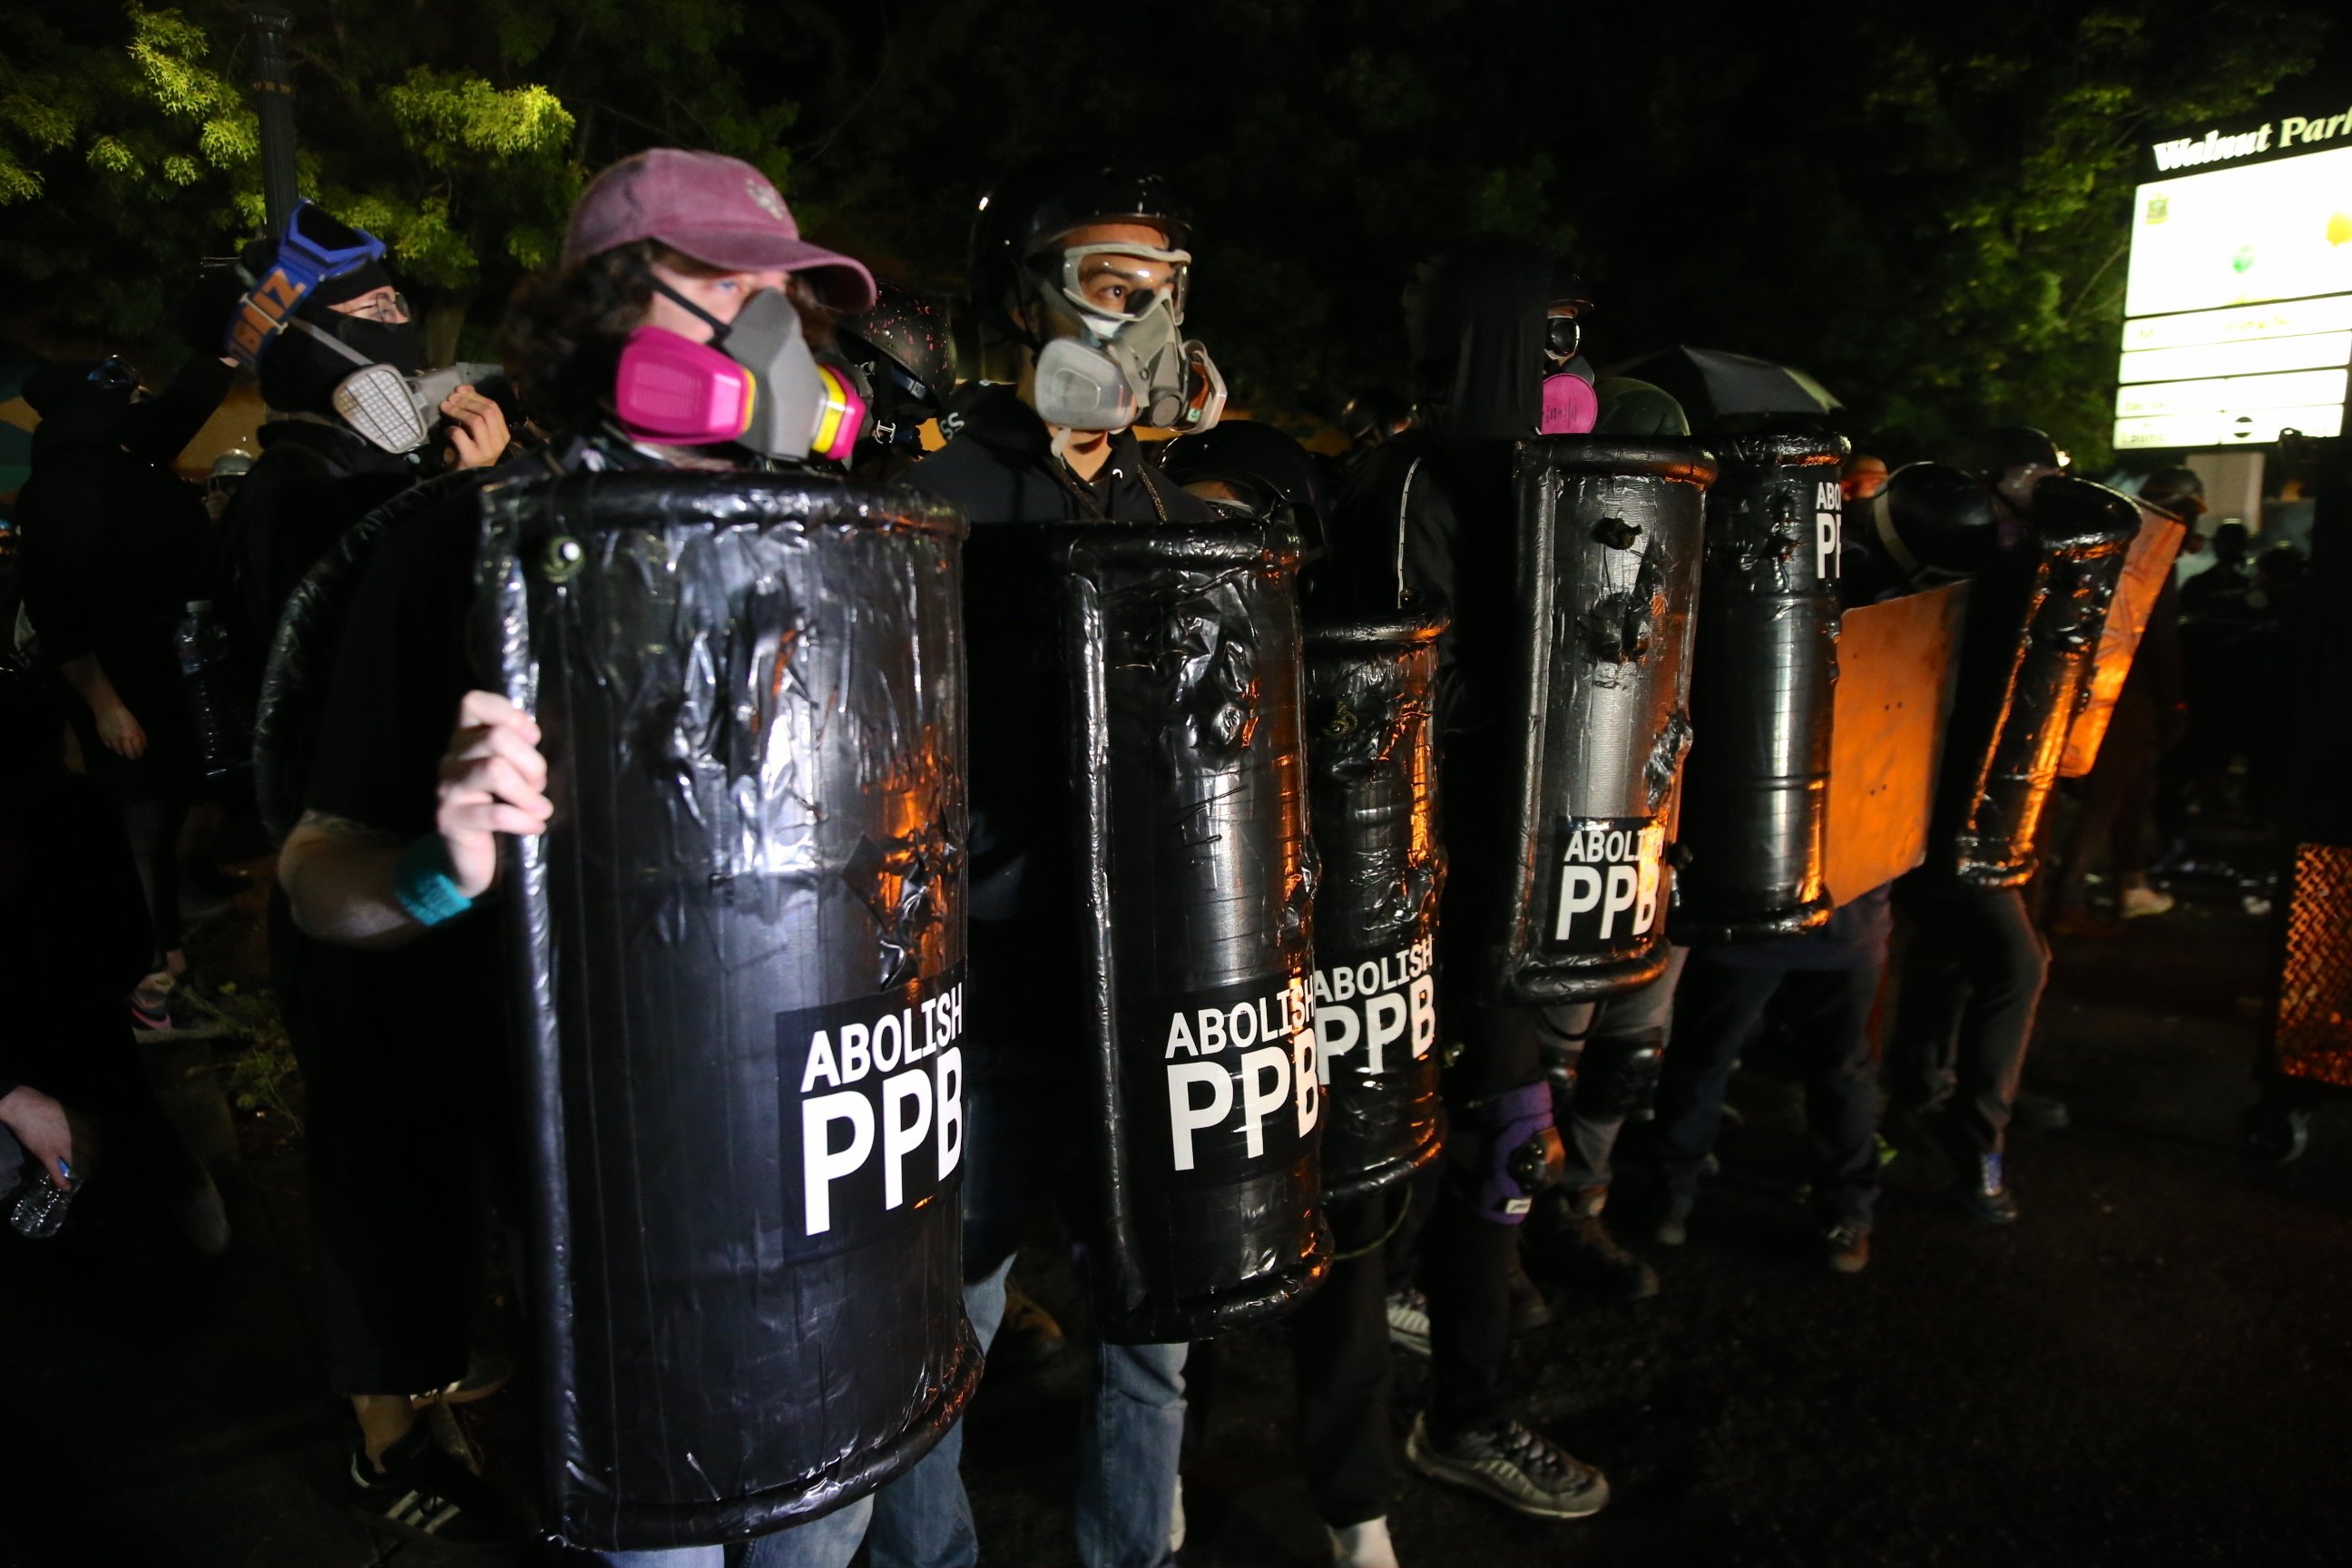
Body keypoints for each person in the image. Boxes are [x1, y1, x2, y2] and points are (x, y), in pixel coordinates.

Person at [278, 147, 878, 1564]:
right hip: (619, 1254)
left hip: (837, 1204)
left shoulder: (849, 549)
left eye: (785, 297)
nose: (765, 329)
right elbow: (317, 875)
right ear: (598, 316)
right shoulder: (464, 550)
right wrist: (442, 868)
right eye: (718, 288)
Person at [750, 161, 1227, 1568]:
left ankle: (1131, 1550)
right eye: (1105, 283)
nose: (1138, 318)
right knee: (946, 1325)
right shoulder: (926, 502)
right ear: (1029, 301)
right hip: (995, 998)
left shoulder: (1162, 509)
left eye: (1164, 291)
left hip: (1141, 1000)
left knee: (1155, 1326)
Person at [198, 202, 521, 1535]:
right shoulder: (290, 490)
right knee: (372, 1155)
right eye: (378, 321)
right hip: (349, 881)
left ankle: (428, 1375)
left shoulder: (377, 484)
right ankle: (382, 1425)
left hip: (432, 875)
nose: (407, 340)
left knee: (431, 1148)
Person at [1332, 238, 1625, 1524]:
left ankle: (1469, 1412)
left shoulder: (1572, 482)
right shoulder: (1411, 479)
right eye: (1549, 335)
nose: (1572, 365)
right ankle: (1356, 1459)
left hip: (1529, 883)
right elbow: (1405, 694)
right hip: (1422, 889)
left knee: (1508, 1139)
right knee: (1379, 1154)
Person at [14, 345, 234, 1031]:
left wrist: (229, 344)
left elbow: (181, 410)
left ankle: (169, 959)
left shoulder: (115, 462)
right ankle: (151, 988)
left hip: (161, 669)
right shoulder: (59, 489)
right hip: (116, 679)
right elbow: (55, 612)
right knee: (139, 825)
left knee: (168, 816)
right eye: (124, 398)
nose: (139, 406)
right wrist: (106, 704)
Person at [1885, 428, 2069, 1224]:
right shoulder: (1968, 583)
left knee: (1949, 962)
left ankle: (1917, 1094)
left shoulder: (1999, 575)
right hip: (1941, 817)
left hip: (1948, 815)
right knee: (2015, 966)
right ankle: (1975, 1141)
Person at [0, 668, 226, 1252]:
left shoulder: (77, 807)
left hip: (61, 1032)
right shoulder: (78, 804)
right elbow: (126, 947)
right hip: (80, 1031)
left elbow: (126, 944)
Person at [2046, 473, 2191, 932]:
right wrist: (2176, 704)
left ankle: (2130, 883)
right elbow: (2160, 638)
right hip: (2124, 700)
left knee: (2131, 792)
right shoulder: (2151, 557)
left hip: (2087, 689)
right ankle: (2067, 900)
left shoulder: (2101, 544)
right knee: (2103, 801)